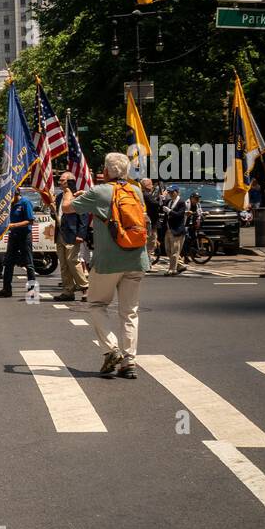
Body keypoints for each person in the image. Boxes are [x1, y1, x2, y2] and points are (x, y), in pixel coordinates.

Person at [63, 151, 149, 379]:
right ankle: (130, 362)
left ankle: (112, 349)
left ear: (108, 171)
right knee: (130, 312)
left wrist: (68, 190)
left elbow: (67, 208)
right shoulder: (136, 191)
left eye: (104, 167)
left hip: (109, 261)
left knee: (96, 304)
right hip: (136, 258)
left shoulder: (99, 191)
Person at [0, 186, 36, 298]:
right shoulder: (8, 206)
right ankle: (6, 289)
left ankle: (32, 290)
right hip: (13, 236)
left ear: (16, 194)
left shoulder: (25, 202)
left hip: (24, 235)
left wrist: (13, 225)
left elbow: (30, 221)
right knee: (8, 263)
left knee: (29, 263)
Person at [54, 173, 90, 301]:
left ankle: (85, 287)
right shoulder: (59, 197)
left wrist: (81, 234)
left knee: (72, 261)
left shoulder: (77, 196)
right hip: (60, 233)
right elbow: (58, 214)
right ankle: (68, 291)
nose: (59, 182)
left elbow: (84, 217)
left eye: (62, 180)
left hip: (72, 234)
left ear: (70, 181)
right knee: (63, 264)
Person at [161, 184, 188, 275]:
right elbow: (161, 208)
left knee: (175, 251)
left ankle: (172, 269)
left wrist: (169, 211)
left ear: (177, 192)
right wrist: (162, 198)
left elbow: (179, 215)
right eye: (169, 192)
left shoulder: (181, 202)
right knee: (168, 250)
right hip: (168, 229)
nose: (171, 194)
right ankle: (180, 265)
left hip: (177, 230)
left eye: (173, 192)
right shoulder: (169, 201)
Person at [141, 179, 161, 262]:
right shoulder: (146, 195)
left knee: (151, 243)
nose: (152, 186)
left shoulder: (145, 194)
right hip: (150, 223)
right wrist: (161, 198)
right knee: (151, 243)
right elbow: (156, 204)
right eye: (151, 184)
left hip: (148, 222)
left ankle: (147, 262)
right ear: (147, 185)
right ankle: (147, 263)